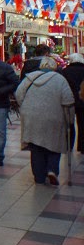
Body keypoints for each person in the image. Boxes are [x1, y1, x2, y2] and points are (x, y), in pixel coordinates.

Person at [14, 57, 75, 185]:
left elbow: (18, 94)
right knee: (54, 144)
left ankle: (39, 177)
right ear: (54, 67)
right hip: (54, 116)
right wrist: (69, 118)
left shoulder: (30, 78)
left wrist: (25, 107)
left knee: (36, 147)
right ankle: (52, 170)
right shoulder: (60, 80)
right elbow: (68, 100)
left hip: (32, 117)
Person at [60, 53, 84, 153]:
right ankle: (82, 147)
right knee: (82, 123)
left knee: (69, 124)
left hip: (69, 100)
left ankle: (68, 146)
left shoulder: (65, 71)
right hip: (82, 100)